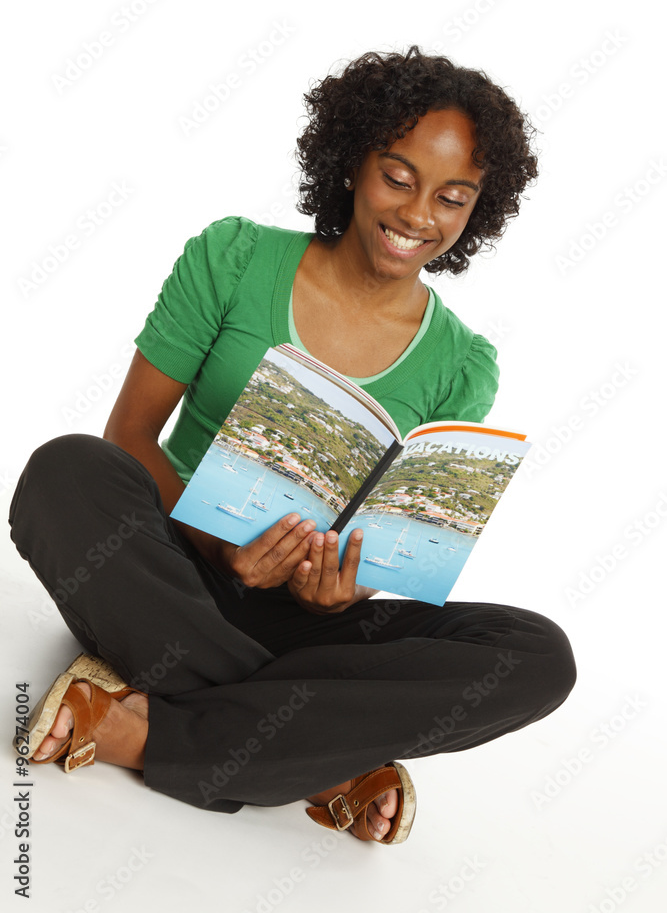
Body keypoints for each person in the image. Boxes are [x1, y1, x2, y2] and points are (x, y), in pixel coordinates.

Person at [9, 46, 576, 844]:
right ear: (352, 162)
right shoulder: (234, 258)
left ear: (477, 209)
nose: (419, 215)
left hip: (306, 622)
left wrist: (343, 592)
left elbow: (392, 545)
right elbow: (129, 434)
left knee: (539, 657)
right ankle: (326, 763)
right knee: (65, 470)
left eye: (452, 197)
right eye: (398, 177)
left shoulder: (463, 366)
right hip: (173, 571)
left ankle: (152, 727)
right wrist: (216, 542)